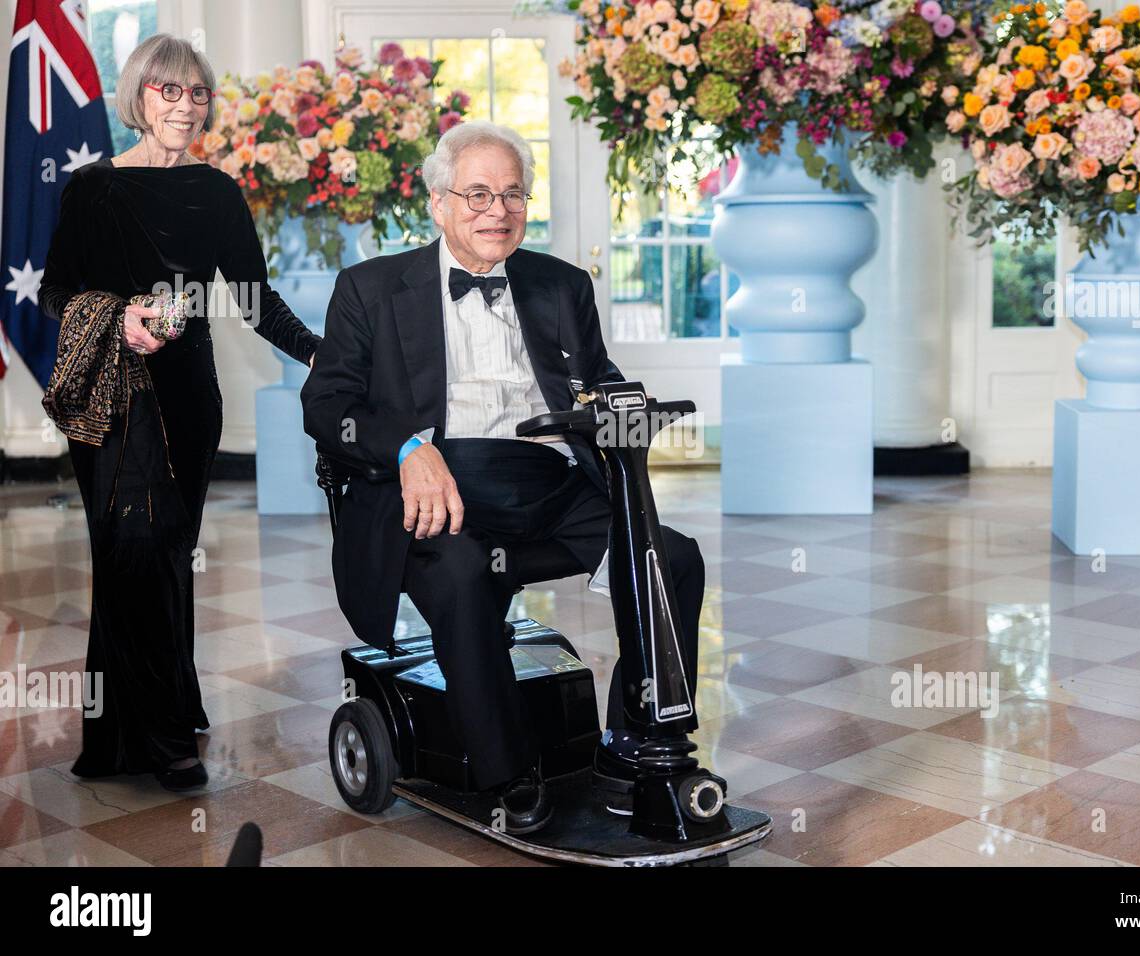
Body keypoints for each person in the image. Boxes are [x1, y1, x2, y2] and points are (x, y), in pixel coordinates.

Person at [302, 120, 706, 833]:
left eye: (513, 195)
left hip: (547, 484)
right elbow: (327, 404)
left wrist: (621, 406)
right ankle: (505, 771)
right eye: (478, 194)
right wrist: (405, 450)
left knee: (672, 557)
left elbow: (597, 382)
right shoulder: (369, 289)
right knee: (462, 576)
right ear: (438, 202)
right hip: (436, 487)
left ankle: (632, 748)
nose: (498, 211)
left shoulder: (560, 284)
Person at [37, 35, 320, 791]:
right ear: (139, 95)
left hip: (190, 402)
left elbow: (255, 302)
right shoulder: (93, 190)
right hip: (113, 401)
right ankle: (158, 739)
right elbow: (53, 293)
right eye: (169, 90)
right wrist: (115, 314)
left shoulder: (218, 193)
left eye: (197, 93)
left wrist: (327, 352)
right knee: (132, 554)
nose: (184, 105)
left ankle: (154, 711)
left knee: (164, 557)